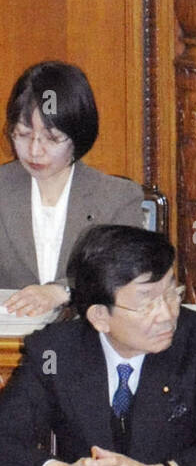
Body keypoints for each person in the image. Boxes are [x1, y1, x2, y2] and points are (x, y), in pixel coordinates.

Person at [0, 224, 196, 466]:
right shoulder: (55, 351)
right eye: (147, 303)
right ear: (100, 317)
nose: (167, 314)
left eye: (172, 293)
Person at [0, 61, 144, 316]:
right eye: (22, 135)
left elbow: (126, 276)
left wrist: (62, 291)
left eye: (52, 139)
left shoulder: (117, 198)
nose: (34, 151)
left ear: (79, 135)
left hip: (87, 340)